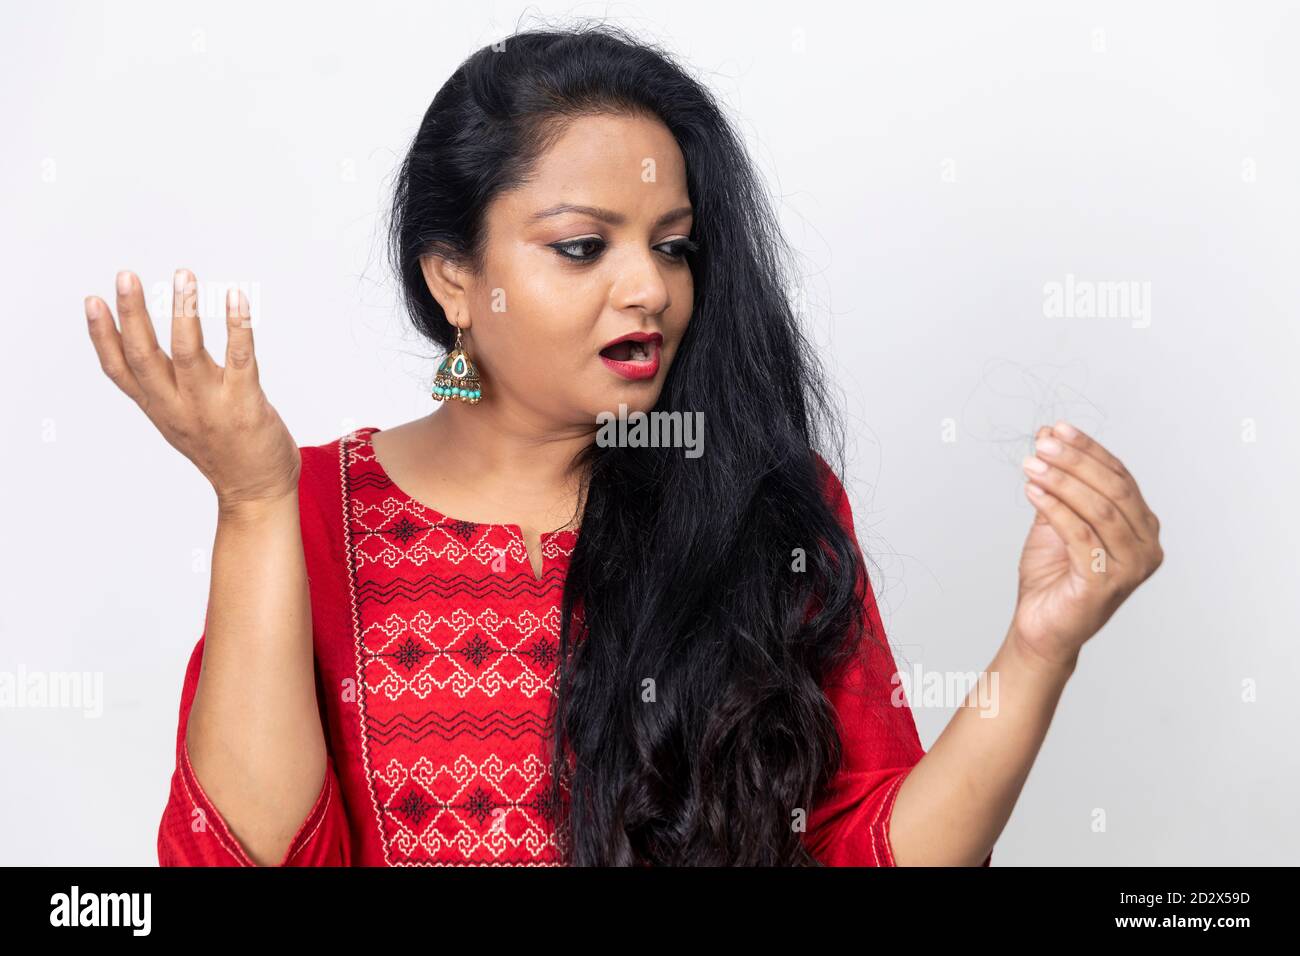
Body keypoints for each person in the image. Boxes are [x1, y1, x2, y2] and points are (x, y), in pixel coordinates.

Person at [83, 23, 1162, 866]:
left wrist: (1036, 651)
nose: (649, 287)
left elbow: (865, 848)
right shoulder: (311, 510)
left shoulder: (762, 508)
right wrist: (254, 504)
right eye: (583, 245)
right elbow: (249, 858)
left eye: (674, 246)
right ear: (453, 276)